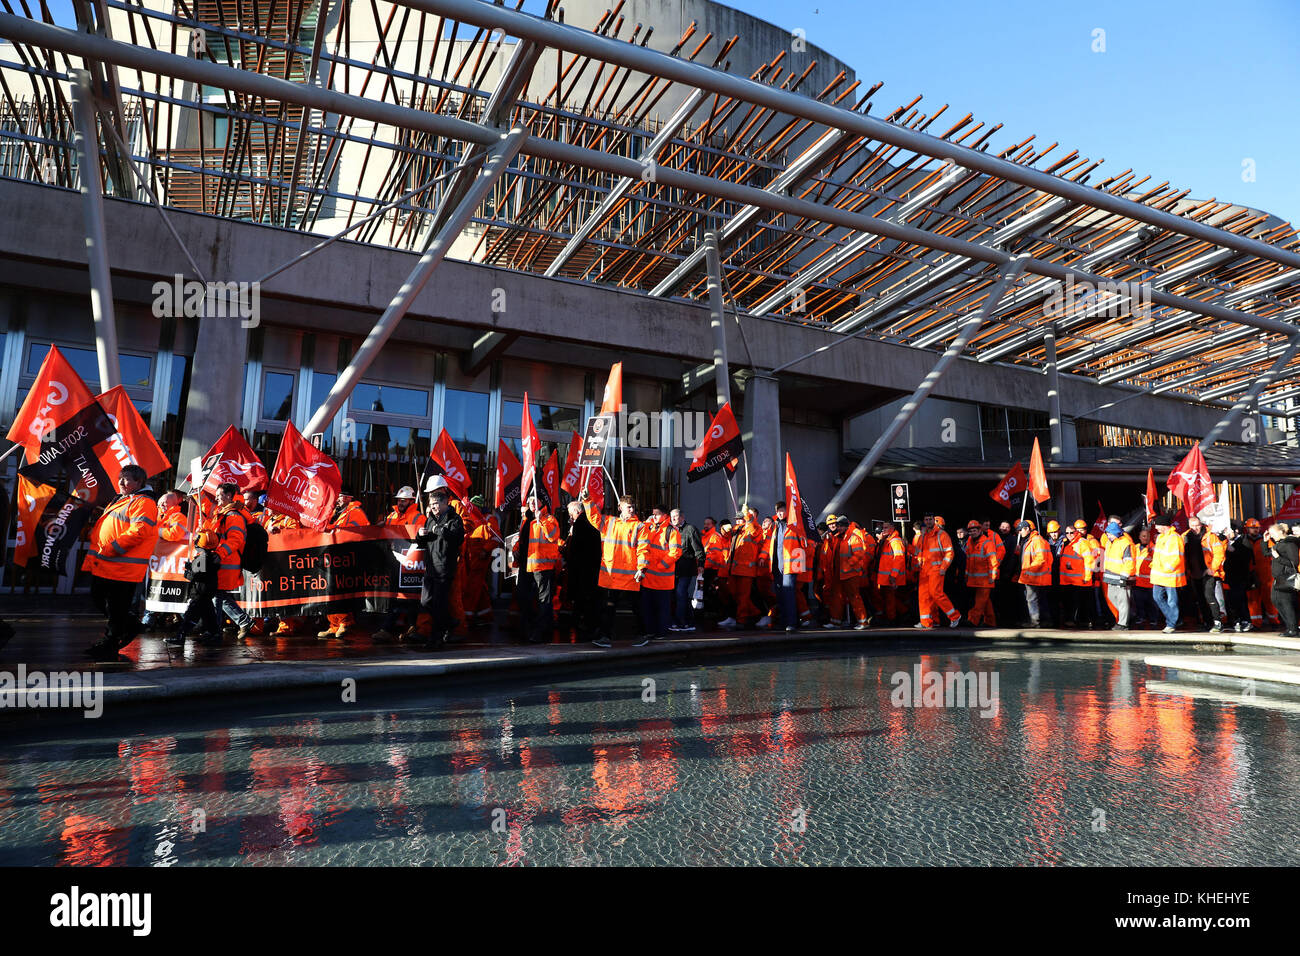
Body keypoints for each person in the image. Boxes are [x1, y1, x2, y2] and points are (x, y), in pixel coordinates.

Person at [83, 464, 159, 660]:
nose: (121, 482)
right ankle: (128, 626)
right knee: (100, 599)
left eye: (126, 479)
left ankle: (110, 643)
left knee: (116, 608)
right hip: (108, 565)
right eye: (120, 478)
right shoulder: (124, 500)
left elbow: (139, 531)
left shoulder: (144, 502)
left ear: (139, 482)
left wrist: (112, 548)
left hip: (123, 567)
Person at [174, 481, 250, 646]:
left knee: (215, 596)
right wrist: (204, 528)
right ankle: (223, 628)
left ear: (229, 496)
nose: (216, 497)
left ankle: (215, 631)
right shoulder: (222, 513)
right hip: (220, 561)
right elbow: (213, 533)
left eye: (219, 495)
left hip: (224, 562)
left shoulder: (234, 516)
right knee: (216, 596)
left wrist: (219, 554)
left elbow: (235, 540)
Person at [582, 488, 648, 648]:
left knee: (635, 608)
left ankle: (641, 635)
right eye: (628, 507)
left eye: (633, 507)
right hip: (612, 575)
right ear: (620, 507)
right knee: (609, 608)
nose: (631, 509)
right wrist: (587, 500)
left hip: (629, 576)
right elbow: (594, 518)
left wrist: (642, 568)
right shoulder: (609, 522)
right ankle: (605, 637)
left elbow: (643, 549)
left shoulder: (639, 526)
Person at [409, 475, 464, 647]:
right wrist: (420, 536)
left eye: (435, 504)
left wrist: (439, 529)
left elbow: (457, 537)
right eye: (431, 504)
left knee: (439, 603)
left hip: (445, 568)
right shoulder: (430, 519)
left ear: (445, 503)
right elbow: (424, 541)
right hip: (430, 567)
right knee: (426, 602)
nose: (432, 508)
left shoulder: (454, 519)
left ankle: (435, 638)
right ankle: (449, 622)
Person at [318, 489, 370, 640]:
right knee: (329, 591)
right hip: (333, 556)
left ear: (348, 497)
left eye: (340, 497)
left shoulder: (356, 512)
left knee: (340, 591)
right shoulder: (335, 512)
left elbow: (360, 533)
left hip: (347, 557)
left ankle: (345, 623)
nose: (337, 500)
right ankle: (333, 625)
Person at [515, 495, 561, 644]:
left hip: (542, 566)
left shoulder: (549, 519)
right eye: (530, 501)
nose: (532, 503)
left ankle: (539, 630)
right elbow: (523, 539)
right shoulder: (527, 519)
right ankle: (533, 624)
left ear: (542, 502)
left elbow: (553, 536)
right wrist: (516, 549)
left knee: (543, 599)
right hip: (525, 564)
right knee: (522, 595)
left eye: (536, 500)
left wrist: (541, 519)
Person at [639, 507, 681, 642]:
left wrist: (661, 566)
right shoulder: (650, 527)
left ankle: (661, 632)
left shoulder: (671, 531)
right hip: (649, 578)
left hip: (663, 579)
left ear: (665, 515)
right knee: (648, 608)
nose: (654, 516)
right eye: (653, 514)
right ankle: (651, 632)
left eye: (657, 514)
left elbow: (675, 552)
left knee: (662, 609)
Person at [563, 498, 602, 641]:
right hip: (589, 566)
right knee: (584, 596)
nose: (569, 515)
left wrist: (569, 556)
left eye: (569, 512)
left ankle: (585, 623)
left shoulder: (580, 524)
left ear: (576, 511)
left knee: (584, 596)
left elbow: (577, 548)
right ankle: (579, 620)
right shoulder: (587, 522)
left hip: (583, 567)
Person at [916, 514, 960, 629]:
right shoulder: (923, 536)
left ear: (933, 521)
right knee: (924, 596)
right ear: (924, 521)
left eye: (930, 519)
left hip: (936, 569)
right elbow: (918, 552)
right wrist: (908, 547)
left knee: (936, 593)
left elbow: (950, 553)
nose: (928, 521)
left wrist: (943, 568)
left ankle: (955, 616)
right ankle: (926, 622)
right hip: (924, 570)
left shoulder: (942, 534)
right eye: (926, 520)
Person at [670, 507, 706, 633]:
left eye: (676, 516)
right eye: (672, 516)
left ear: (682, 517)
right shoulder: (670, 530)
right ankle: (685, 621)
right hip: (672, 569)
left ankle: (682, 622)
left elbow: (698, 548)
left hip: (685, 568)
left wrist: (701, 564)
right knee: (678, 595)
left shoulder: (690, 529)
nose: (674, 519)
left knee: (680, 593)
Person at [1150, 516, 1186, 634]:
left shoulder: (1175, 538)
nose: (1156, 528)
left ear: (1164, 525)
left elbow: (1177, 557)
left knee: (1171, 601)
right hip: (1160, 575)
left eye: (1157, 525)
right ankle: (1174, 620)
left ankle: (1171, 623)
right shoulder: (1161, 537)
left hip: (1170, 576)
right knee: (1157, 597)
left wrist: (1167, 569)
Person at [1101, 516, 1136, 630]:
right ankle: (1126, 617)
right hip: (1111, 575)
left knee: (1123, 600)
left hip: (1121, 576)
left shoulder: (1125, 543)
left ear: (1115, 533)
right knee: (1112, 597)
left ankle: (1123, 623)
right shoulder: (1110, 543)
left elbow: (1128, 562)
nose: (1108, 536)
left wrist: (1124, 576)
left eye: (1109, 534)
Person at [1015, 520, 1051, 628]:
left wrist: (1028, 570)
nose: (1019, 532)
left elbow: (1041, 559)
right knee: (1037, 599)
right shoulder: (1029, 541)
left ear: (1027, 529)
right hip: (1031, 576)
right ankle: (1043, 621)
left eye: (1021, 530)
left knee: (1032, 599)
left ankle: (1035, 622)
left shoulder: (1036, 540)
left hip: (1034, 576)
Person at [1266, 522, 1299, 637]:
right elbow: (1266, 553)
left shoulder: (1289, 544)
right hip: (1278, 578)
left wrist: (1278, 558)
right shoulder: (1279, 543)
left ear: (1280, 532)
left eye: (1272, 533)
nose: (1271, 536)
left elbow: (1294, 562)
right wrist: (1265, 542)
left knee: (1286, 602)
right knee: (1275, 600)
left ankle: (1293, 629)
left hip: (1286, 578)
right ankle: (1290, 627)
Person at [963, 520, 999, 627]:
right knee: (985, 602)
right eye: (971, 531)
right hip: (975, 580)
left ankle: (972, 620)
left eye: (974, 530)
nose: (972, 533)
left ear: (980, 531)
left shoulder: (987, 543)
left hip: (985, 580)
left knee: (979, 602)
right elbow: (968, 561)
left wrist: (993, 576)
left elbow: (993, 561)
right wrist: (967, 576)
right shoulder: (970, 543)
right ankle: (990, 622)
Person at [1245, 518, 1279, 629]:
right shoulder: (1243, 540)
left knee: (1270, 598)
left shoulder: (1267, 540)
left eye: (1257, 528)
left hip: (1267, 573)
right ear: (1247, 529)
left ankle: (1274, 620)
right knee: (1253, 598)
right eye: (1252, 528)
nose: (1255, 530)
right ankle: (1256, 622)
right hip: (1251, 573)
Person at [1222, 522, 1255, 632]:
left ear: (1235, 531)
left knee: (1240, 598)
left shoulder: (1244, 541)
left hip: (1240, 576)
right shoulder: (1228, 542)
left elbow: (1246, 557)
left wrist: (1233, 551)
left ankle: (1246, 620)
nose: (1226, 533)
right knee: (1232, 600)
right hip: (1230, 576)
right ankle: (1237, 620)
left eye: (1228, 531)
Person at [1061, 520, 1095, 629]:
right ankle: (1074, 620)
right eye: (1067, 533)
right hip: (1068, 580)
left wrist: (1087, 577)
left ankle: (1080, 621)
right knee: (1071, 602)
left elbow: (1089, 561)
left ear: (1076, 532)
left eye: (1071, 532)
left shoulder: (1082, 543)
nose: (1069, 535)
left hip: (1079, 580)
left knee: (1079, 603)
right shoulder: (1067, 543)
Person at [1197, 518, 1228, 634]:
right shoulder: (1194, 535)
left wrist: (1212, 569)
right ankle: (1209, 621)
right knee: (1204, 597)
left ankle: (1218, 622)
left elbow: (1219, 554)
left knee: (1210, 596)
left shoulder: (1211, 536)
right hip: (1200, 572)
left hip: (1210, 572)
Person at [875, 524, 907, 624]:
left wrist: (893, 575)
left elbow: (899, 559)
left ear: (892, 529)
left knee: (890, 599)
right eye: (883, 528)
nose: (883, 530)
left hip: (891, 577)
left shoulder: (895, 541)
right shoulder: (887, 540)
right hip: (886, 577)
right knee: (889, 598)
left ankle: (892, 619)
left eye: (886, 528)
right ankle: (901, 613)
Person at [1133, 527, 1158, 628]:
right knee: (1138, 602)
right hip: (1138, 581)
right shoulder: (1134, 548)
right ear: (1139, 537)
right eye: (1143, 536)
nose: (1145, 538)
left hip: (1150, 582)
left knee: (1152, 603)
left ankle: (1153, 620)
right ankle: (1141, 618)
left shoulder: (1154, 548)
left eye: (1147, 536)